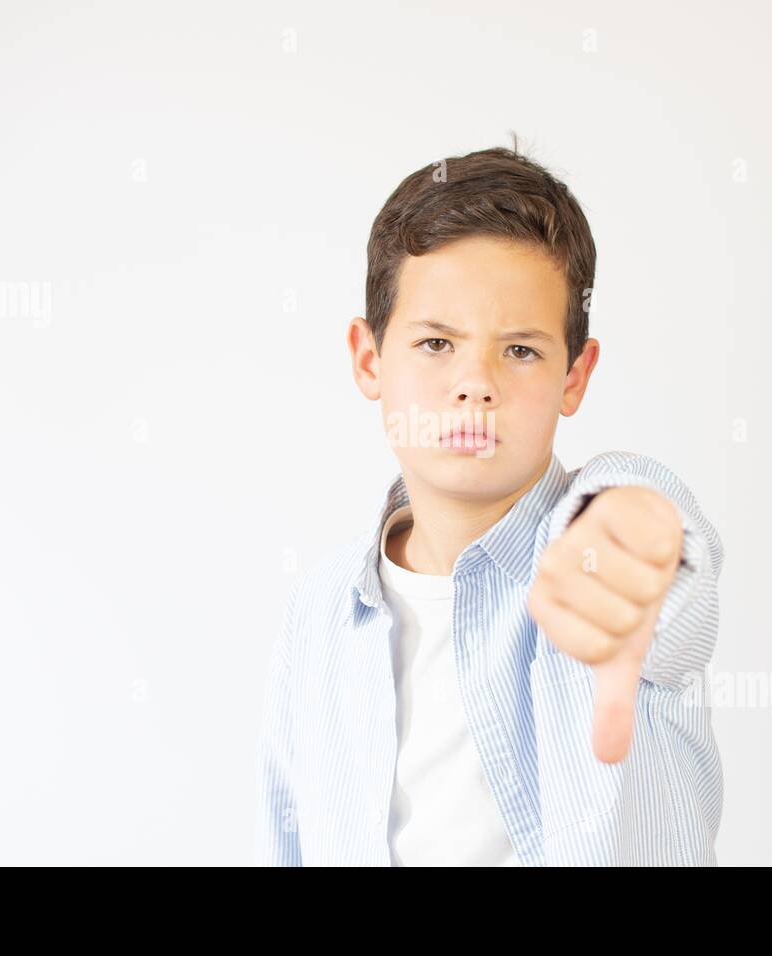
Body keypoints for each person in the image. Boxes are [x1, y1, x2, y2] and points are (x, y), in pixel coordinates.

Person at [255, 139, 724, 866]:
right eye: (437, 343)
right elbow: (286, 839)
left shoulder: (600, 561)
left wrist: (634, 526)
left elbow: (654, 538)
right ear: (369, 358)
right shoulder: (318, 615)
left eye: (521, 351)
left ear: (576, 375)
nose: (475, 384)